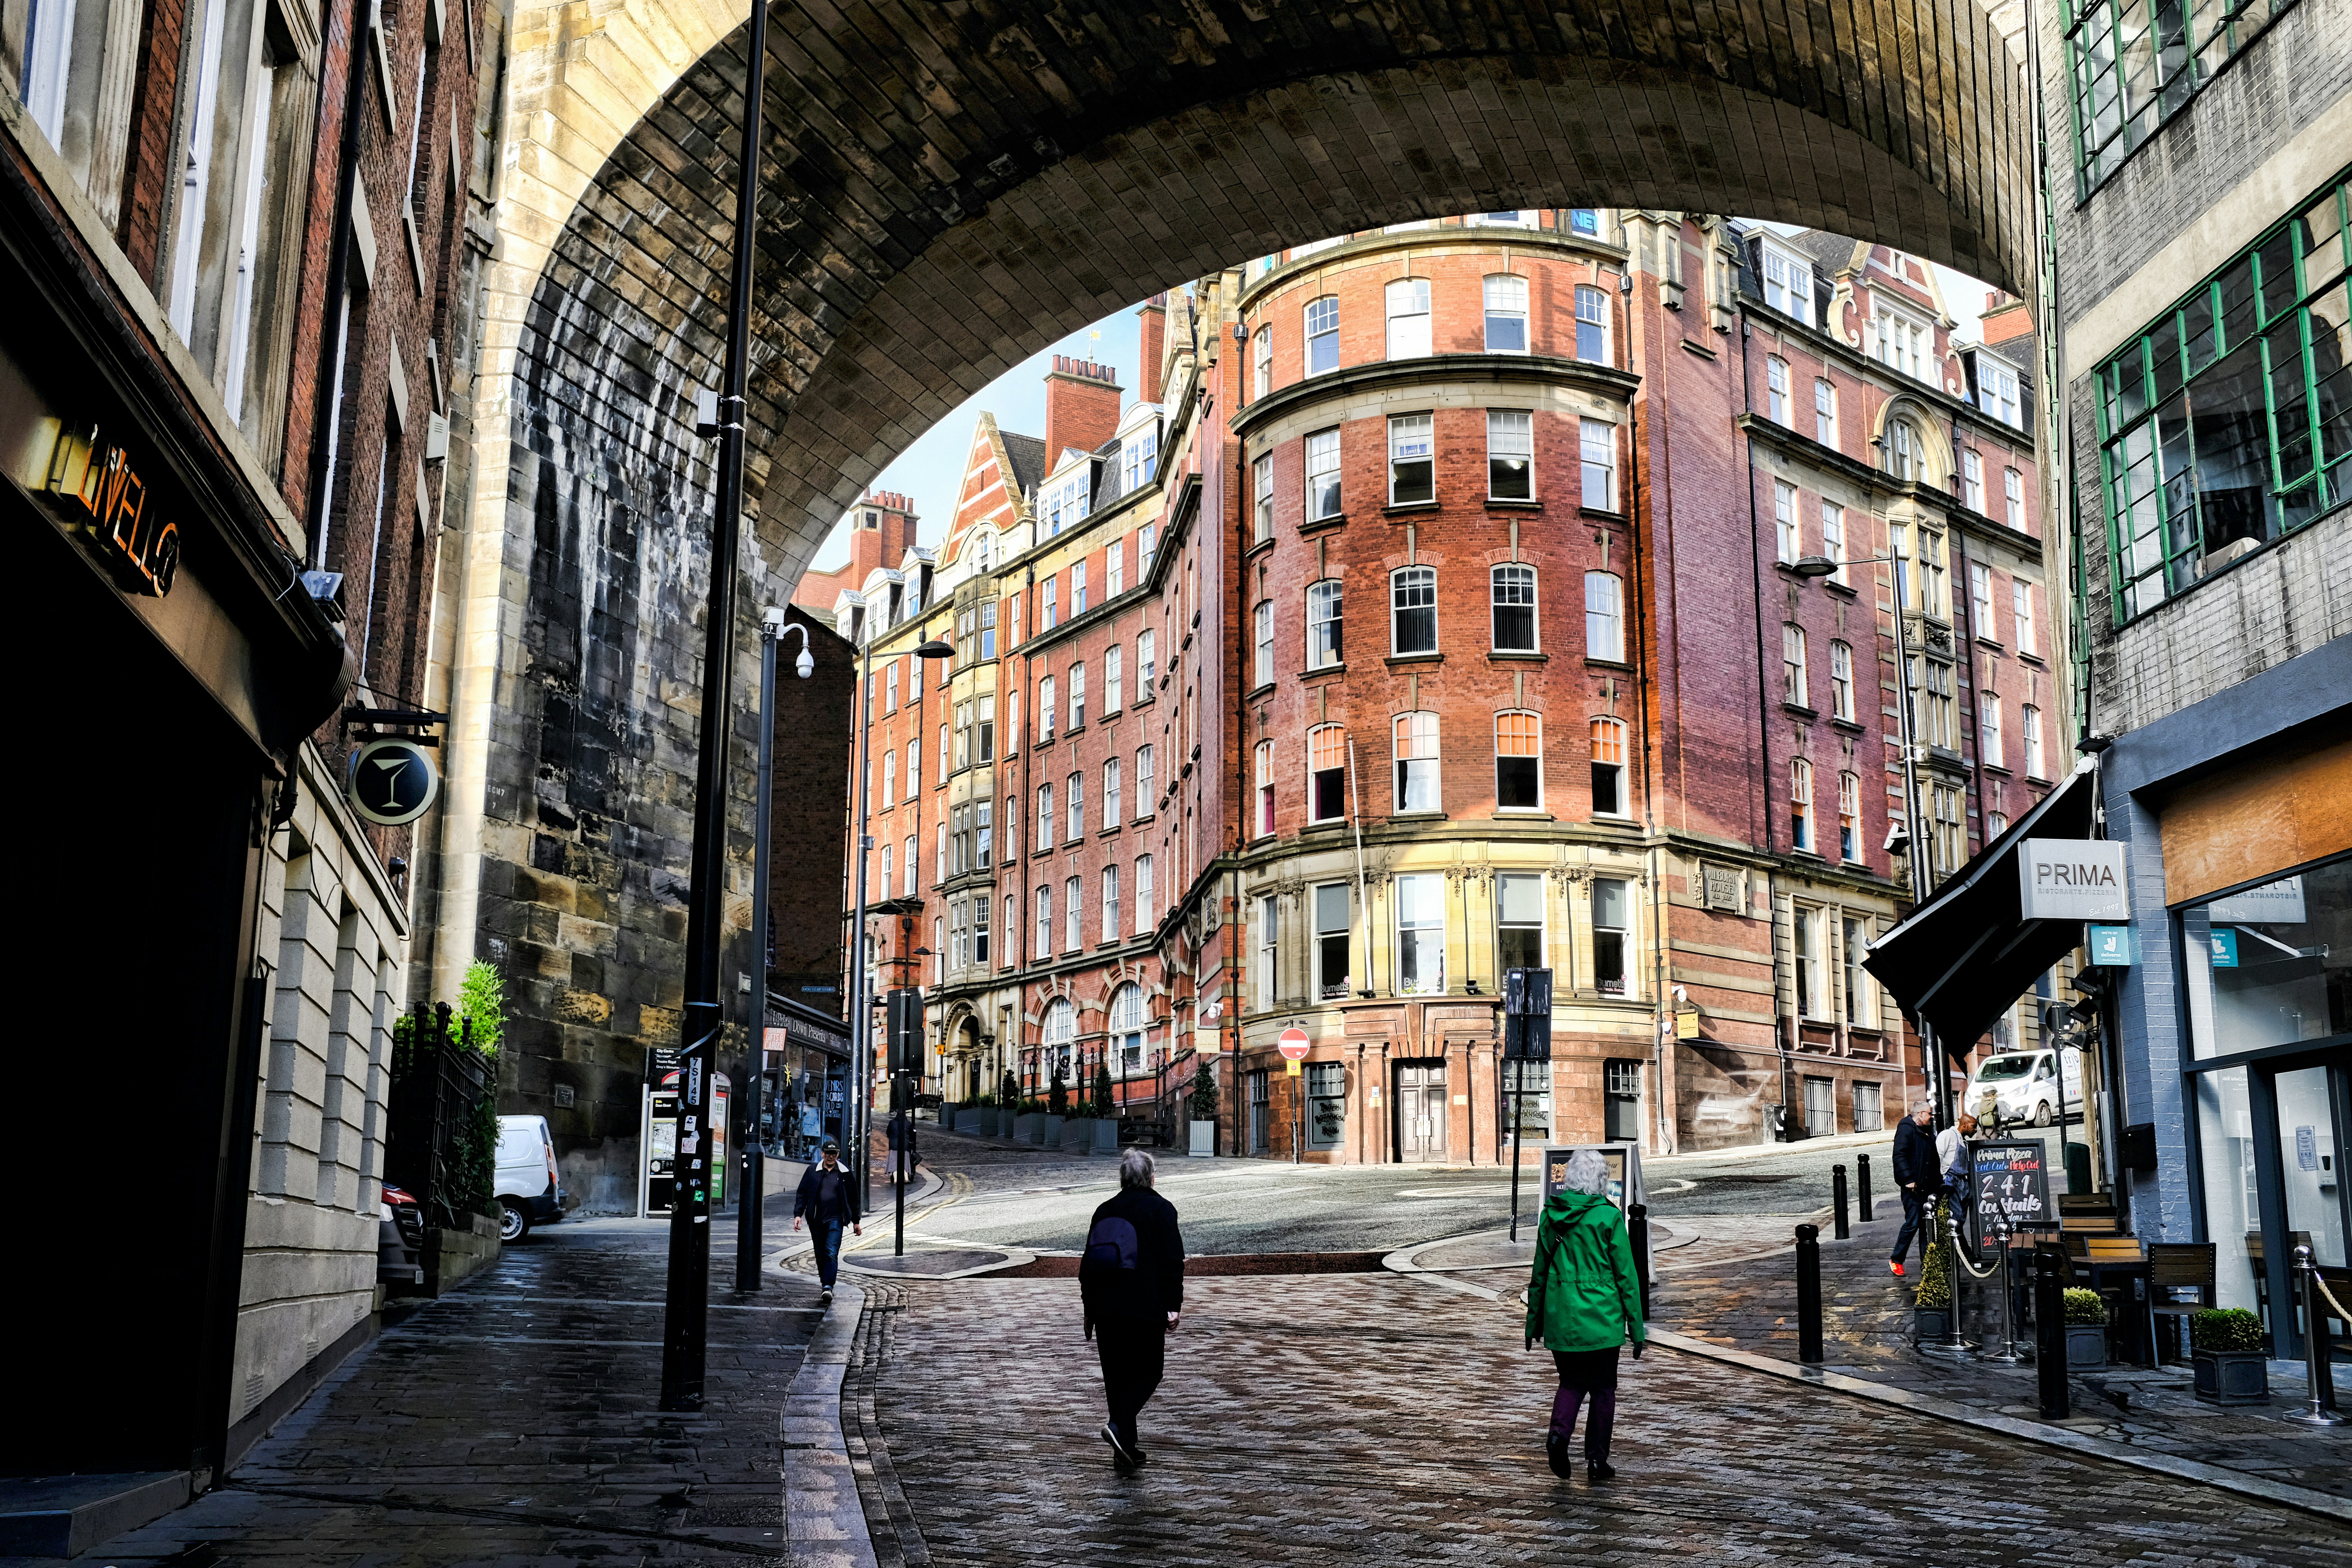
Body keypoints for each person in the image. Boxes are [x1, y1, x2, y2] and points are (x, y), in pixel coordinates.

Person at [1524, 1149, 1646, 1482]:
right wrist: (1636, 1328)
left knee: (1571, 1382)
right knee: (1604, 1389)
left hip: (1562, 1318)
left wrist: (1533, 1323)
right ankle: (1596, 1461)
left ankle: (1558, 1436)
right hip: (1603, 1319)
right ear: (1601, 1179)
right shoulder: (1607, 1217)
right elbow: (1627, 1277)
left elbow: (1539, 1274)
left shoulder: (1551, 1216)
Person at [1079, 1149, 1185, 1473]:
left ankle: (1125, 1449)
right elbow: (1172, 1262)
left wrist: (1089, 1307)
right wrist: (1173, 1306)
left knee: (1117, 1378)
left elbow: (1088, 1264)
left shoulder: (1104, 1209)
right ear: (1151, 1178)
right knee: (1150, 1371)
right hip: (1144, 1307)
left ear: (1123, 1179)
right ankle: (1119, 1425)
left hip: (1106, 1309)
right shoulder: (1162, 1209)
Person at [791, 1138, 862, 1306]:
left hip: (836, 1220)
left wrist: (856, 1221)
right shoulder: (812, 1172)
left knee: (831, 1251)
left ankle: (828, 1286)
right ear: (822, 1154)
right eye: (828, 1153)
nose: (831, 1157)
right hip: (816, 1219)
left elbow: (854, 1198)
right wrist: (798, 1214)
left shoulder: (845, 1173)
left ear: (838, 1155)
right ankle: (825, 1283)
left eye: (834, 1154)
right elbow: (802, 1194)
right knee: (820, 1254)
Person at [1888, 1098, 1941, 1278]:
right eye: (1929, 1114)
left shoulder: (1925, 1132)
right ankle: (1896, 1260)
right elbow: (1899, 1156)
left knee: (1926, 1226)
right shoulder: (1906, 1129)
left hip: (1927, 1188)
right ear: (1920, 1114)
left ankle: (1927, 1263)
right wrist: (1908, 1179)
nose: (1932, 1117)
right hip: (1913, 1189)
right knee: (1912, 1223)